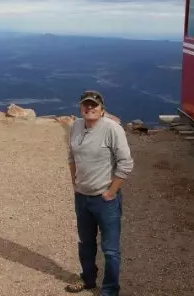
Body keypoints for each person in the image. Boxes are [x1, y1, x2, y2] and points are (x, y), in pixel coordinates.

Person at [65, 90, 134, 295]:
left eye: (94, 105)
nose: (89, 108)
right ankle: (88, 280)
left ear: (102, 109)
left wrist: (112, 191)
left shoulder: (112, 129)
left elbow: (126, 163)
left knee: (110, 250)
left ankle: (110, 290)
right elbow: (71, 156)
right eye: (86, 104)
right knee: (85, 243)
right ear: (80, 107)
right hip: (82, 197)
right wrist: (75, 184)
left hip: (106, 200)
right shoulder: (76, 125)